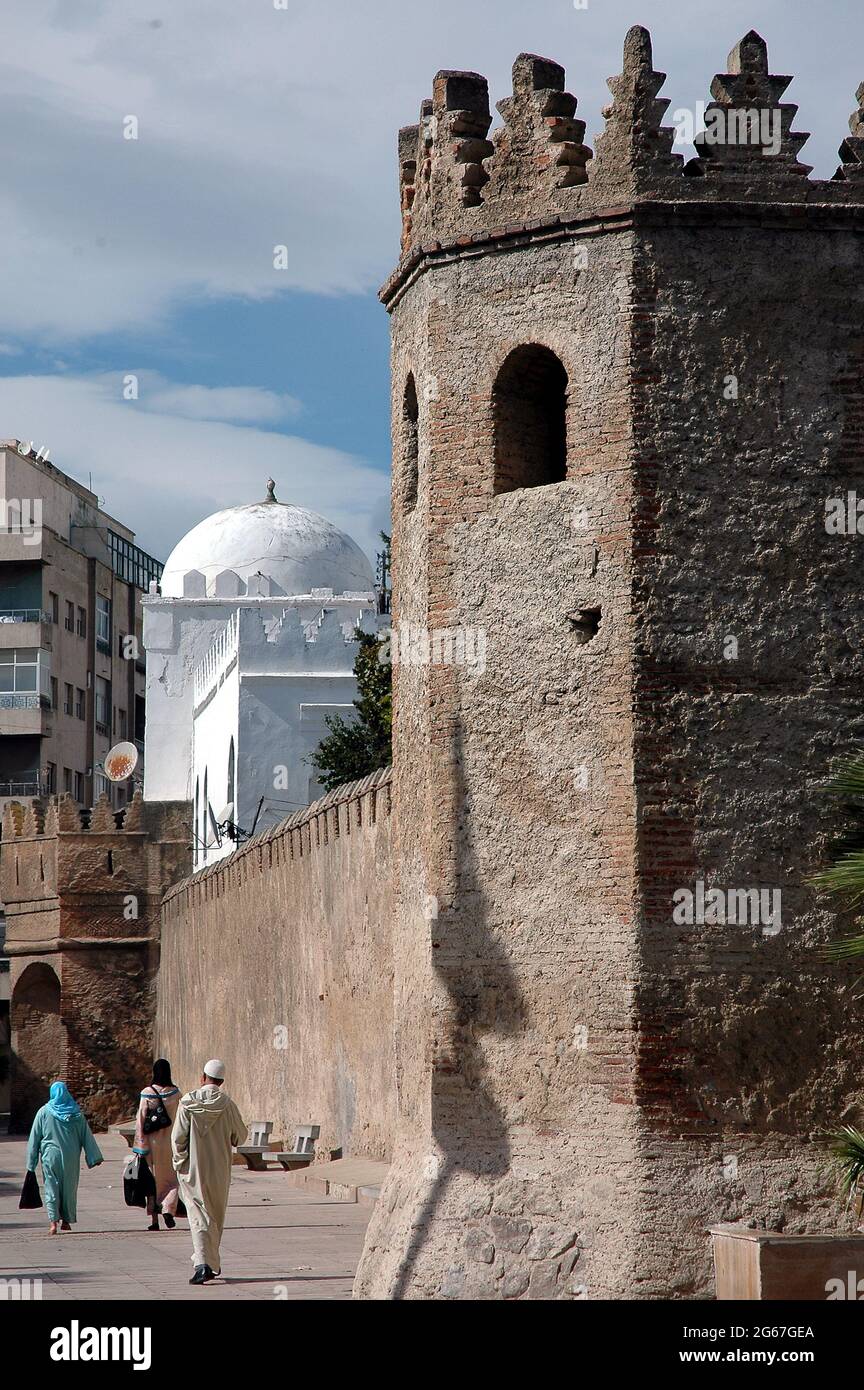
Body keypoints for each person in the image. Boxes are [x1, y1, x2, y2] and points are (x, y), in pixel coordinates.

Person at [171, 1059, 246, 1285]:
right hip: (220, 1170)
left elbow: (177, 1139)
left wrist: (180, 1164)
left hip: (193, 1169)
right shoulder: (228, 1105)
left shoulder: (187, 1103)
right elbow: (240, 1136)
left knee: (198, 1216)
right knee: (214, 1215)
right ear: (221, 1081)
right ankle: (209, 1262)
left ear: (202, 1077)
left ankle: (204, 1264)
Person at [25, 1081, 103, 1235]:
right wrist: (94, 1157)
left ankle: (53, 1222)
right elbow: (86, 1136)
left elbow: (34, 1138)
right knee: (69, 1188)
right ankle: (66, 1221)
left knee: (51, 1187)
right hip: (71, 1157)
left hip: (50, 1157)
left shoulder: (43, 1112)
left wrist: (31, 1163)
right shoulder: (76, 1114)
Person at [133, 1058, 181, 1232]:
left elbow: (140, 1121)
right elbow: (182, 1119)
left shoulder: (147, 1092)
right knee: (172, 1181)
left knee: (151, 1182)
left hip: (151, 1146)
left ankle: (154, 1221)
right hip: (170, 1144)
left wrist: (140, 1147)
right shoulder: (175, 1093)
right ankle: (168, 1208)